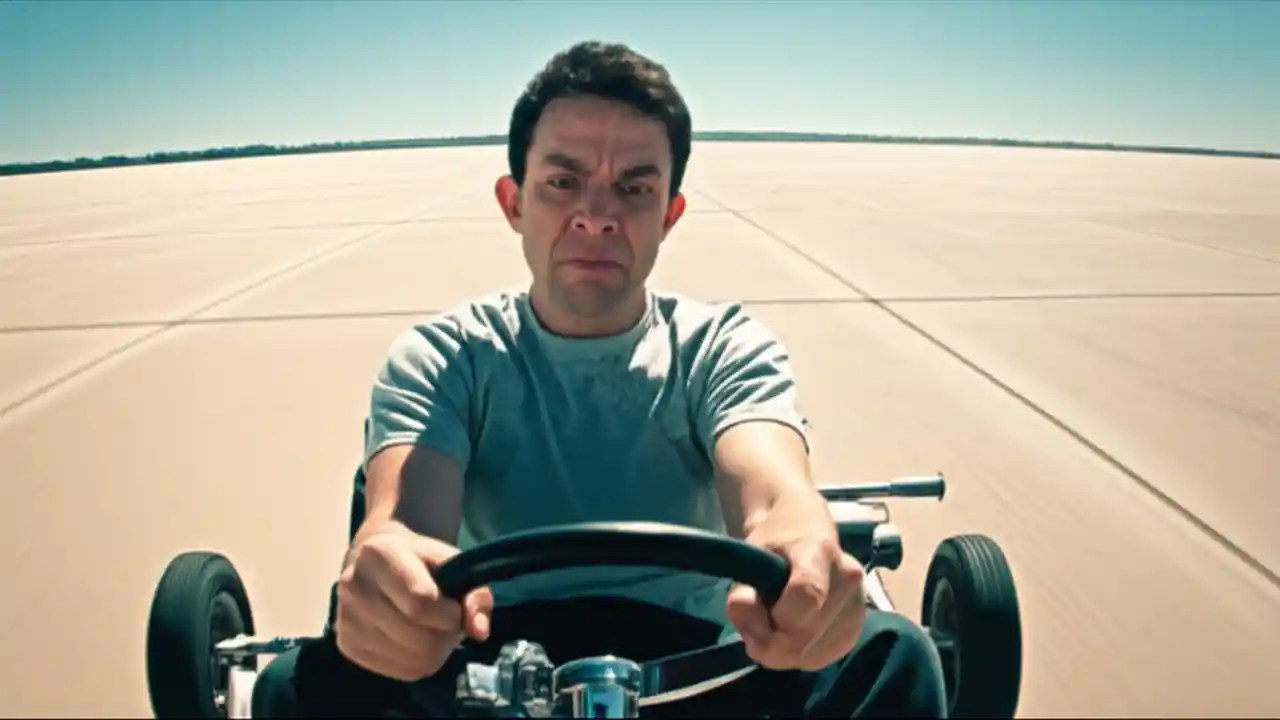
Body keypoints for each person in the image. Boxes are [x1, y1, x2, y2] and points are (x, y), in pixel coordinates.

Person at [251, 40, 948, 718]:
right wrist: (389, 580)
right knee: (298, 688)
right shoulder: (445, 356)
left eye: (634, 188)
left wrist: (803, 554)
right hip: (488, 664)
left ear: (670, 214)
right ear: (514, 202)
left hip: (705, 671)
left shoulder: (722, 348)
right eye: (563, 182)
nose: (596, 216)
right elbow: (405, 523)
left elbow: (775, 496)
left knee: (893, 657)